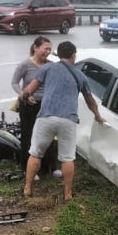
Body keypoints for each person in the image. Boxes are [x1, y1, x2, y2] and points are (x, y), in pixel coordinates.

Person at [20, 41, 104, 201]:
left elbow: (30, 89)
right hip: (68, 119)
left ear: (58, 54)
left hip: (46, 116)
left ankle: (28, 188)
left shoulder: (47, 68)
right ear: (73, 55)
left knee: (35, 153)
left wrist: (26, 96)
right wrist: (98, 116)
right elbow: (90, 100)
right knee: (67, 157)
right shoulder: (80, 75)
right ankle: (67, 193)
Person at [11, 36, 54, 169]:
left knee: (48, 135)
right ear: (35, 48)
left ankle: (48, 166)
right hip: (29, 105)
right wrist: (23, 95)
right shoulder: (25, 65)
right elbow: (14, 83)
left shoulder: (50, 65)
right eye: (45, 48)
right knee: (28, 135)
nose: (48, 52)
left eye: (50, 49)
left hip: (46, 105)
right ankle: (27, 166)